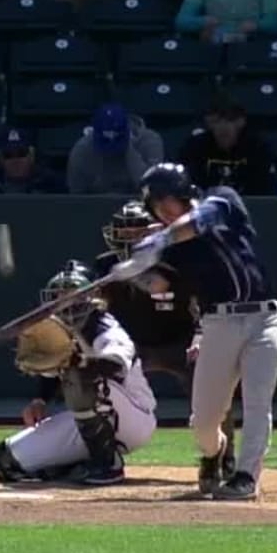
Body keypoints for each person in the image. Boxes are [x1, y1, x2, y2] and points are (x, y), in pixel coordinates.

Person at [110, 164, 277, 501]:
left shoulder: (222, 200)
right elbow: (160, 284)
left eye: (166, 200)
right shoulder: (173, 248)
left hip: (264, 318)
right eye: (155, 205)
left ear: (184, 192)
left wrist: (158, 240)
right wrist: (131, 273)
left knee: (257, 401)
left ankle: (247, 476)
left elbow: (198, 222)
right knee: (204, 421)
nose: (162, 210)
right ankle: (212, 453)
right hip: (218, 324)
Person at [94, 201, 237, 479]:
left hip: (179, 342)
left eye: (138, 234)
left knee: (215, 383)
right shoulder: (106, 265)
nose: (132, 240)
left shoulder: (179, 262)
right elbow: (95, 312)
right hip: (132, 347)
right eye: (125, 234)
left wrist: (200, 337)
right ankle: (102, 456)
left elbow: (202, 303)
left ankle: (224, 455)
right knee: (93, 375)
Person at [0, 260, 157, 486]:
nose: (65, 300)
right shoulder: (58, 329)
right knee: (4, 462)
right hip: (91, 420)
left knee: (81, 374)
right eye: (59, 294)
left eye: (73, 293)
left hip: (133, 417)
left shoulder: (103, 327)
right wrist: (40, 400)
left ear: (91, 296)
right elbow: (56, 370)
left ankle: (107, 465)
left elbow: (115, 365)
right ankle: (75, 467)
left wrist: (77, 361)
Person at [177, 91, 276, 193]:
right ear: (209, 123)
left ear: (241, 122)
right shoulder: (194, 147)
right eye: (218, 121)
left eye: (230, 119)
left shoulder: (258, 148)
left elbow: (264, 193)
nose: (223, 126)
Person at [67, 102, 166, 195]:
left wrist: (129, 149)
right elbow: (77, 194)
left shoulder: (150, 141)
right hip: (97, 206)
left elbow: (151, 189)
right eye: (106, 141)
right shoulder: (83, 148)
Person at [0, 126, 66, 193]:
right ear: (1, 158)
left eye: (21, 153)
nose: (15, 160)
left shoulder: (51, 185)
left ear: (31, 155)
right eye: (8, 155)